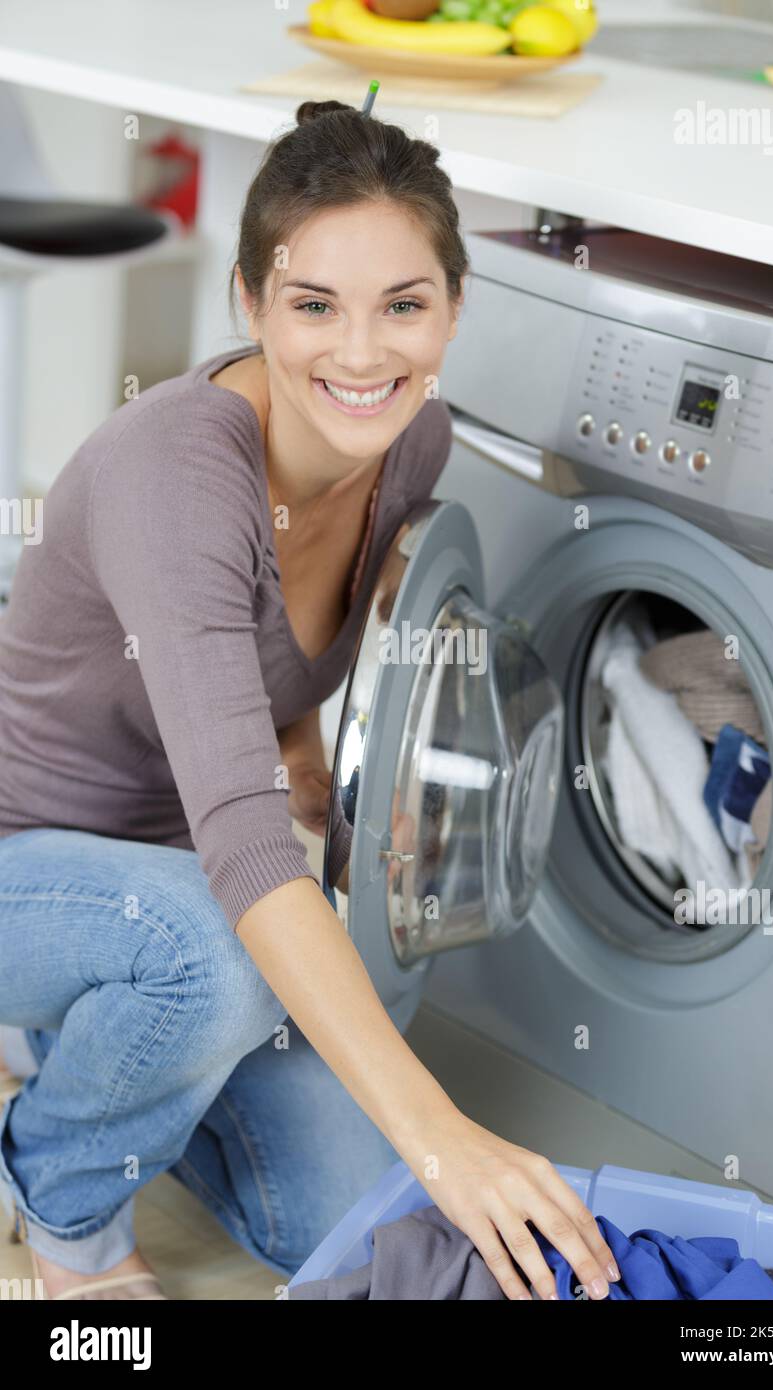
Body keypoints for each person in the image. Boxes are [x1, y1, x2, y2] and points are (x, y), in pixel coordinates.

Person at [0, 100, 619, 1302]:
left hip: (173, 888)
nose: (361, 354)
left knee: (355, 1210)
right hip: (33, 867)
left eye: (404, 304)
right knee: (218, 959)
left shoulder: (412, 446)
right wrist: (451, 1138)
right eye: (312, 305)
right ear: (248, 302)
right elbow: (239, 848)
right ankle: (61, 1212)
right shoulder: (171, 474)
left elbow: (265, 645)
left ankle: (92, 1054)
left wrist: (294, 742)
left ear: (451, 309)